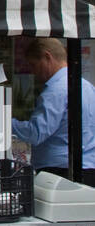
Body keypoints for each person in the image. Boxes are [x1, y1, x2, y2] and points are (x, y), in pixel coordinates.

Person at [11, 38, 95, 184]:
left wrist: (4, 121)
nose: (33, 72)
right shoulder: (87, 86)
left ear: (47, 57)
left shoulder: (56, 91)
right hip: (88, 167)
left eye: (34, 65)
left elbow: (36, 133)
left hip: (60, 171)